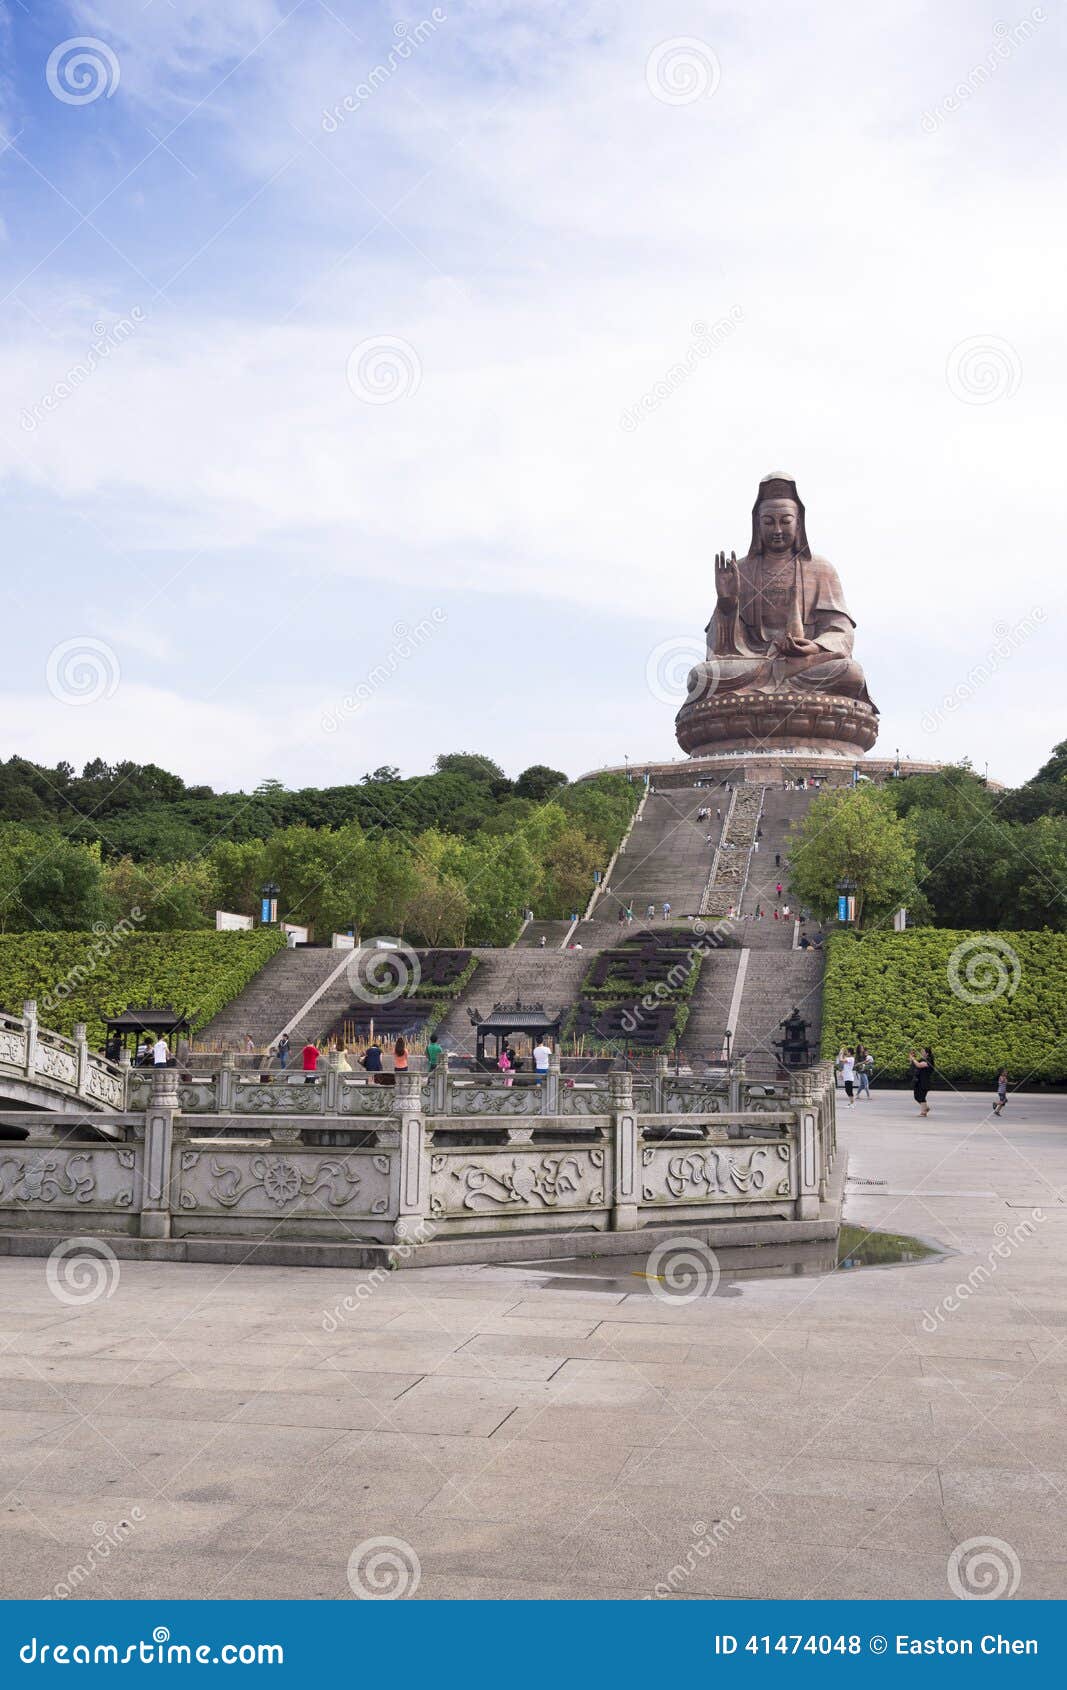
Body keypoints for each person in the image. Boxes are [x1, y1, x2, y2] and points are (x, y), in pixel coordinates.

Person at [909, 1046, 935, 1116]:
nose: (921, 1052)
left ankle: (924, 1112)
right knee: (916, 1096)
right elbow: (914, 1064)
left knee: (921, 1096)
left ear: (927, 1053)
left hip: (925, 1082)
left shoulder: (929, 1060)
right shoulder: (921, 1059)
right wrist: (911, 1057)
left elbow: (919, 1065)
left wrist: (913, 1059)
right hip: (918, 1081)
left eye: (923, 1051)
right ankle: (925, 1108)